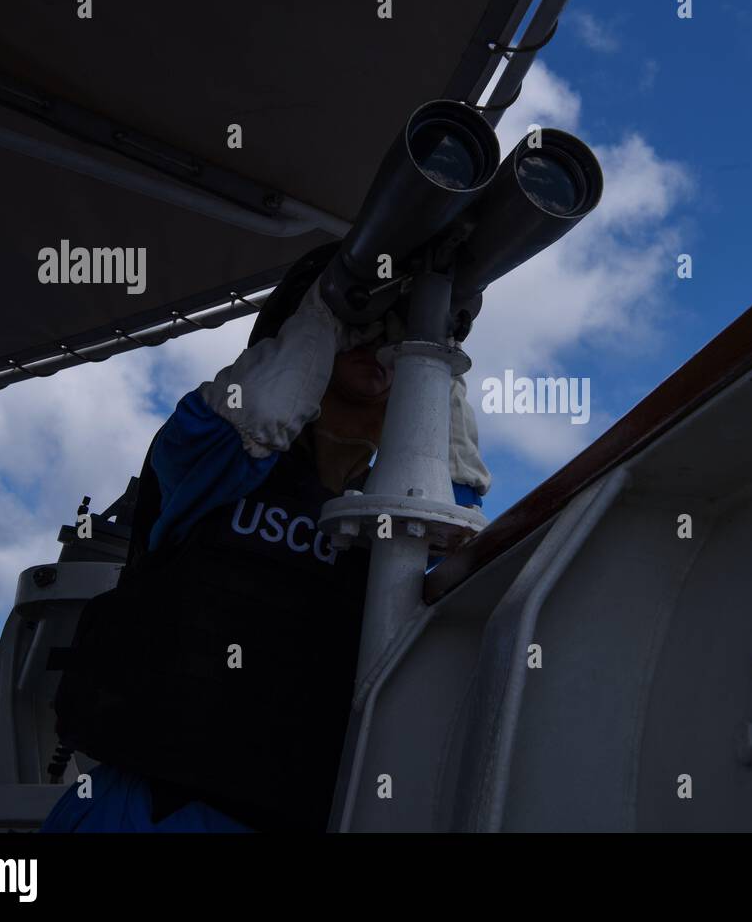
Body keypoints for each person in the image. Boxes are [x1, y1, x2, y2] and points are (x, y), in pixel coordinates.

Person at [41, 242, 490, 832]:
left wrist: (434, 348)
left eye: (397, 332)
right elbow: (254, 412)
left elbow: (451, 516)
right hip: (141, 807)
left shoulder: (396, 503)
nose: (382, 341)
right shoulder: (207, 454)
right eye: (371, 321)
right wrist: (329, 309)